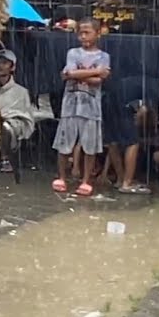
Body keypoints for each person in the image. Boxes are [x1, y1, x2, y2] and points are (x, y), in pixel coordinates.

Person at [51, 19, 110, 197]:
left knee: (89, 146)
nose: (83, 36)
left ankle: (86, 180)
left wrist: (76, 75)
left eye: (87, 32)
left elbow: (97, 81)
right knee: (64, 143)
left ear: (98, 33)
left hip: (91, 108)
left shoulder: (103, 56)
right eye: (80, 33)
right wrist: (95, 71)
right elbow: (69, 73)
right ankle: (61, 176)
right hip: (70, 106)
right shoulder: (73, 53)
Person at [0, 49, 34, 175]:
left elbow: (26, 116)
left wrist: (4, 118)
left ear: (12, 67)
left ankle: (5, 159)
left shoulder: (21, 91)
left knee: (6, 127)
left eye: (4, 63)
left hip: (12, 124)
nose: (0, 66)